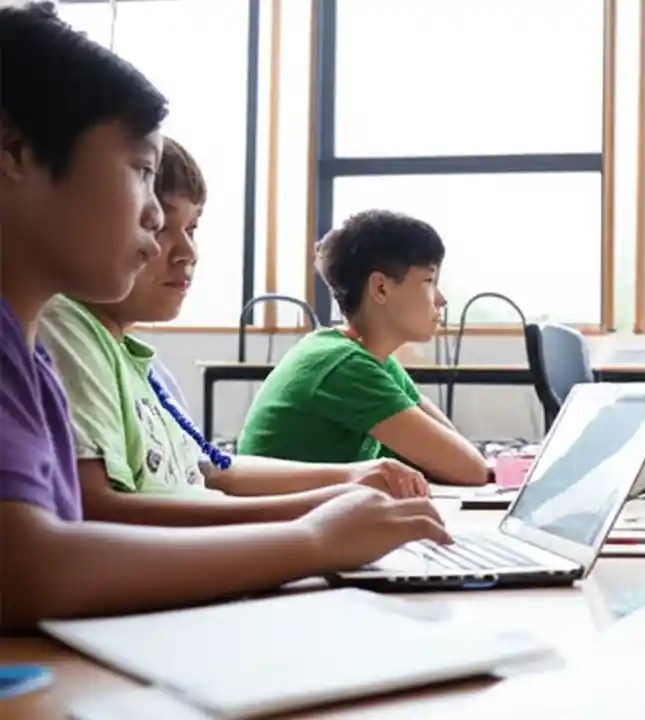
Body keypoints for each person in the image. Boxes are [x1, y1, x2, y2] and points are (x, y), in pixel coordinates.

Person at [0, 4, 447, 628]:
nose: (156, 220)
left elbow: (191, 479)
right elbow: (28, 569)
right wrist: (311, 538)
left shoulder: (32, 364)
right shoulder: (46, 340)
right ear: (16, 151)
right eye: (141, 172)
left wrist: (332, 511)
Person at [38, 137, 430, 527]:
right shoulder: (65, 327)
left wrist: (351, 478)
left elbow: (213, 469)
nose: (187, 252)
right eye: (156, 226)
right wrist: (317, 516)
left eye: (192, 228)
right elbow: (97, 509)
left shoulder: (143, 365)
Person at [237, 210, 488, 486]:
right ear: (380, 288)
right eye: (429, 281)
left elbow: (453, 450)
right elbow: (471, 469)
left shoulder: (371, 359)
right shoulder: (343, 365)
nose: (441, 299)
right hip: (282, 514)